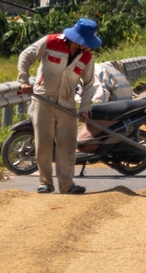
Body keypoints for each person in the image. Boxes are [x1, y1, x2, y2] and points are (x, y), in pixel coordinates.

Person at [18, 18, 101, 195]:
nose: (88, 46)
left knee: (67, 146)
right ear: (77, 38)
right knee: (43, 145)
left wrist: (84, 108)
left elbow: (89, 84)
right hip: (43, 99)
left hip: (67, 103)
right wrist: (24, 80)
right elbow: (26, 56)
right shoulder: (51, 42)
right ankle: (45, 183)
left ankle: (67, 185)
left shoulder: (87, 57)